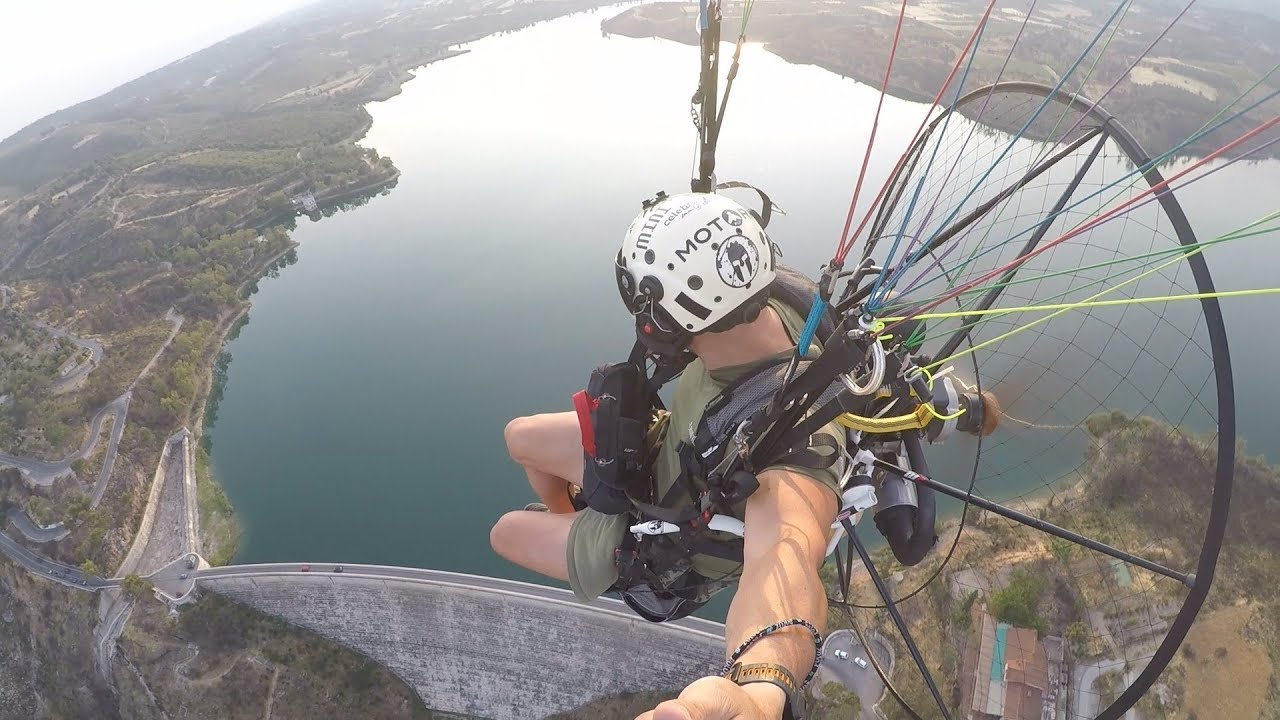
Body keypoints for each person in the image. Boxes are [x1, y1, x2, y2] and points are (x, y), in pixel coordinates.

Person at [490, 192, 847, 720]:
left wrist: (760, 692)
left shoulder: (789, 449)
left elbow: (788, 554)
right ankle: (576, 517)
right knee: (520, 435)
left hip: (659, 531)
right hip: (671, 452)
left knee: (504, 531)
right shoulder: (784, 304)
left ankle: (591, 535)